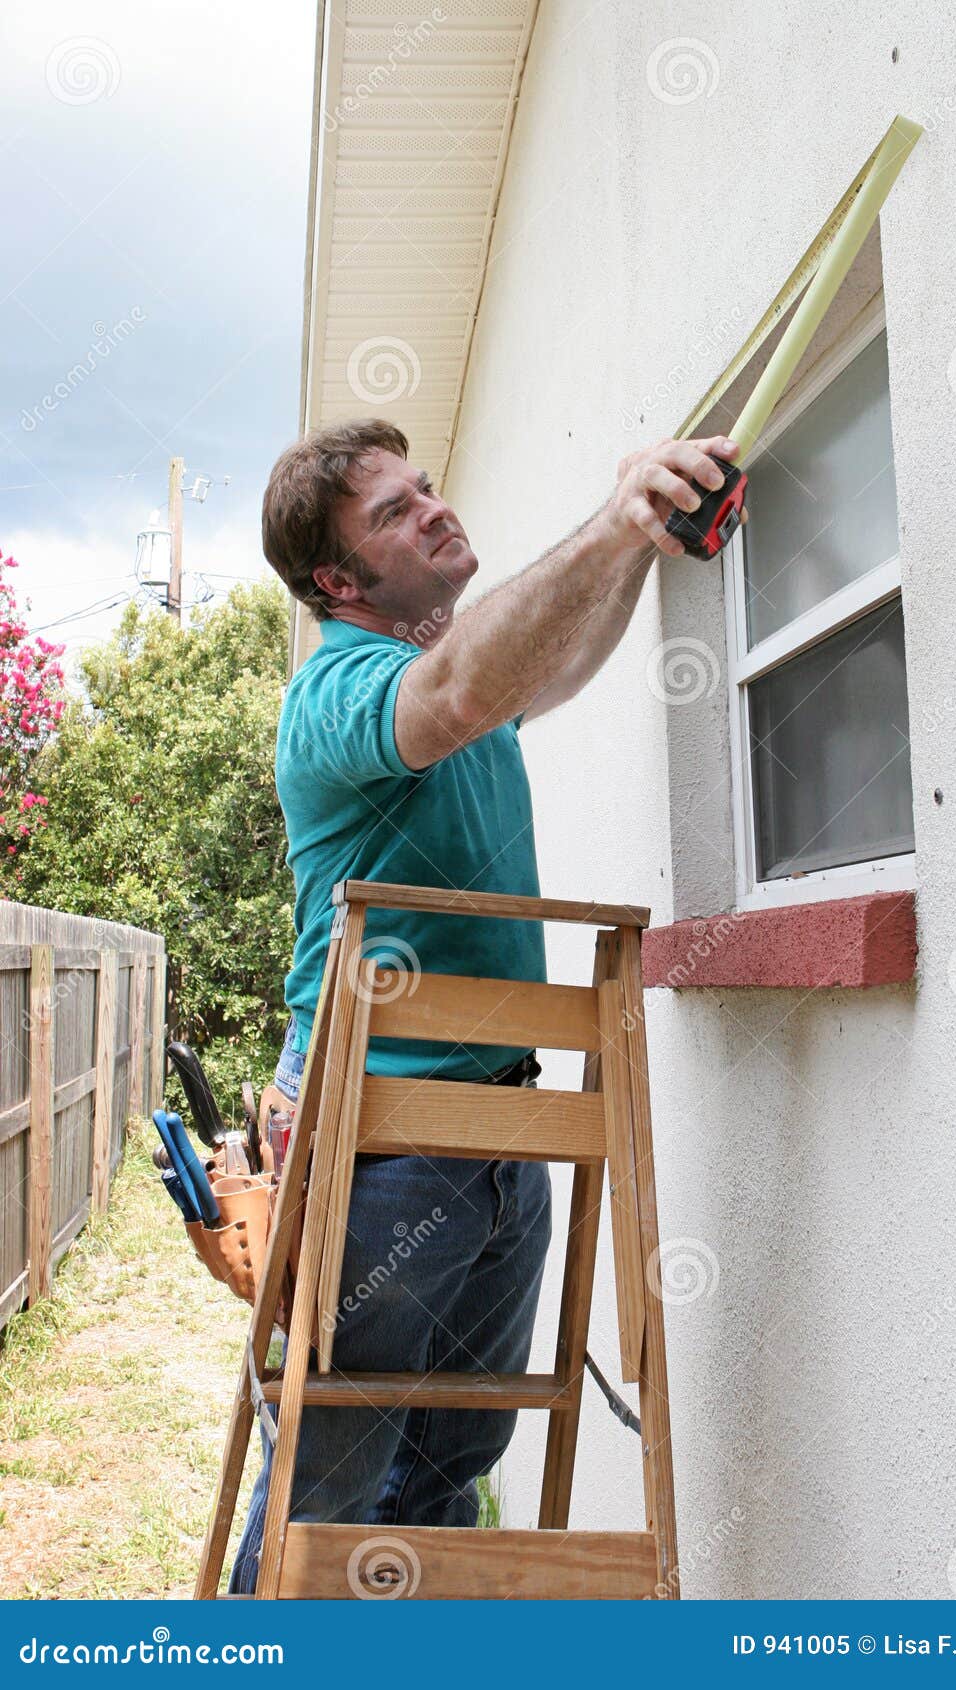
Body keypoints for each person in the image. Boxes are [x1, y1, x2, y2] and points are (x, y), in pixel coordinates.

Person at [228, 418, 742, 1591]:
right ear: (336, 580)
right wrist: (613, 521)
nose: (434, 509)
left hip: (506, 1132)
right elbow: (461, 688)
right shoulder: (345, 695)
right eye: (395, 512)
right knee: (330, 1484)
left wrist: (637, 542)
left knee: (451, 1474)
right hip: (386, 1140)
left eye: (426, 488)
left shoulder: (451, 683)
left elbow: (540, 667)